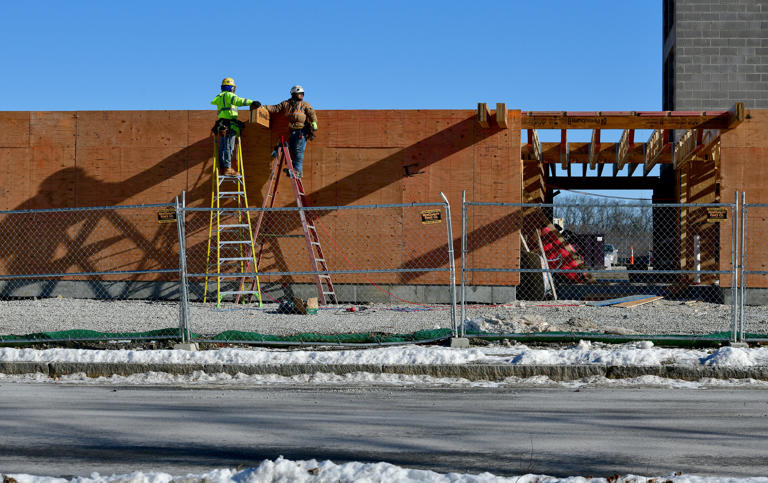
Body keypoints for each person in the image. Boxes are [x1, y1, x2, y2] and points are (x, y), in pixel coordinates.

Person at [264, 85, 318, 179]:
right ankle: (293, 170)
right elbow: (275, 108)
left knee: (298, 151)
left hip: (301, 131)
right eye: (299, 94)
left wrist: (314, 122)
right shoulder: (286, 103)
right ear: (294, 94)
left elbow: (311, 113)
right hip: (291, 131)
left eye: (302, 94)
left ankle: (297, 172)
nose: (301, 96)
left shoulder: (305, 104)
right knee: (291, 151)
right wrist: (263, 107)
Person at [211, 77, 261, 176]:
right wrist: (252, 102)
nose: (234, 90)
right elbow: (238, 101)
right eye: (233, 87)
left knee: (224, 147)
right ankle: (227, 168)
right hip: (229, 125)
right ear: (230, 87)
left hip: (223, 124)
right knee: (228, 147)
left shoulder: (220, 96)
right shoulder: (228, 95)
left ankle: (224, 167)